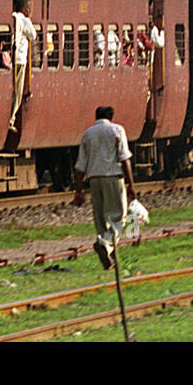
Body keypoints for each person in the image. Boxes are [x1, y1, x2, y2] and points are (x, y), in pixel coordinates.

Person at [72, 106, 137, 269]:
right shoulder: (117, 130)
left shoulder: (88, 134)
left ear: (96, 116)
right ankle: (105, 244)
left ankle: (108, 256)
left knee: (100, 220)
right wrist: (131, 185)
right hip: (113, 178)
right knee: (118, 218)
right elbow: (124, 159)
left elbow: (80, 166)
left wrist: (78, 191)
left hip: (94, 179)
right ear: (111, 117)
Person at [8, 0, 36, 132]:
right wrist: (29, 19)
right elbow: (33, 35)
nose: (30, 10)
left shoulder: (13, 16)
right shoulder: (25, 20)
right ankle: (11, 119)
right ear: (24, 9)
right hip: (20, 60)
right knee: (18, 92)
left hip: (10, 59)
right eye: (29, 8)